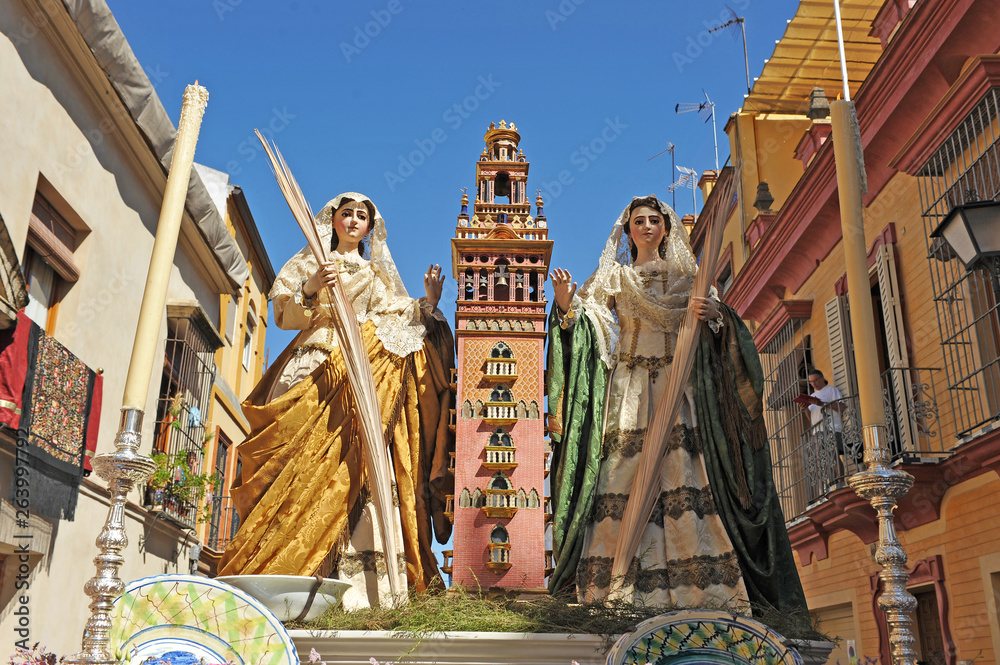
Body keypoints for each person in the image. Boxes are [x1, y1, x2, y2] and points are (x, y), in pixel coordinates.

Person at [547, 195, 808, 616]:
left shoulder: (691, 279)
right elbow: (589, 324)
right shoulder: (614, 277)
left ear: (666, 228)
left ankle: (700, 593)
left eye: (654, 220)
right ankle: (613, 593)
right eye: (638, 221)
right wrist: (566, 306)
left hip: (678, 385)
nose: (646, 226)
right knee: (621, 478)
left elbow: (723, 329)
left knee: (685, 475)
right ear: (628, 231)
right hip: (629, 389)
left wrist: (715, 316)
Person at [218, 193, 454, 610]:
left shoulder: (374, 272)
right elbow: (284, 314)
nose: (353, 220)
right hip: (313, 362)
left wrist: (428, 304)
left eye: (362, 216)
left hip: (359, 375)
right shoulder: (313, 260)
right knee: (293, 465)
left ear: (369, 228)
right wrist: (311, 287)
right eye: (347, 213)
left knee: (354, 464)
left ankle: (361, 592)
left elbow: (396, 318)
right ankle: (283, 567)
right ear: (333, 219)